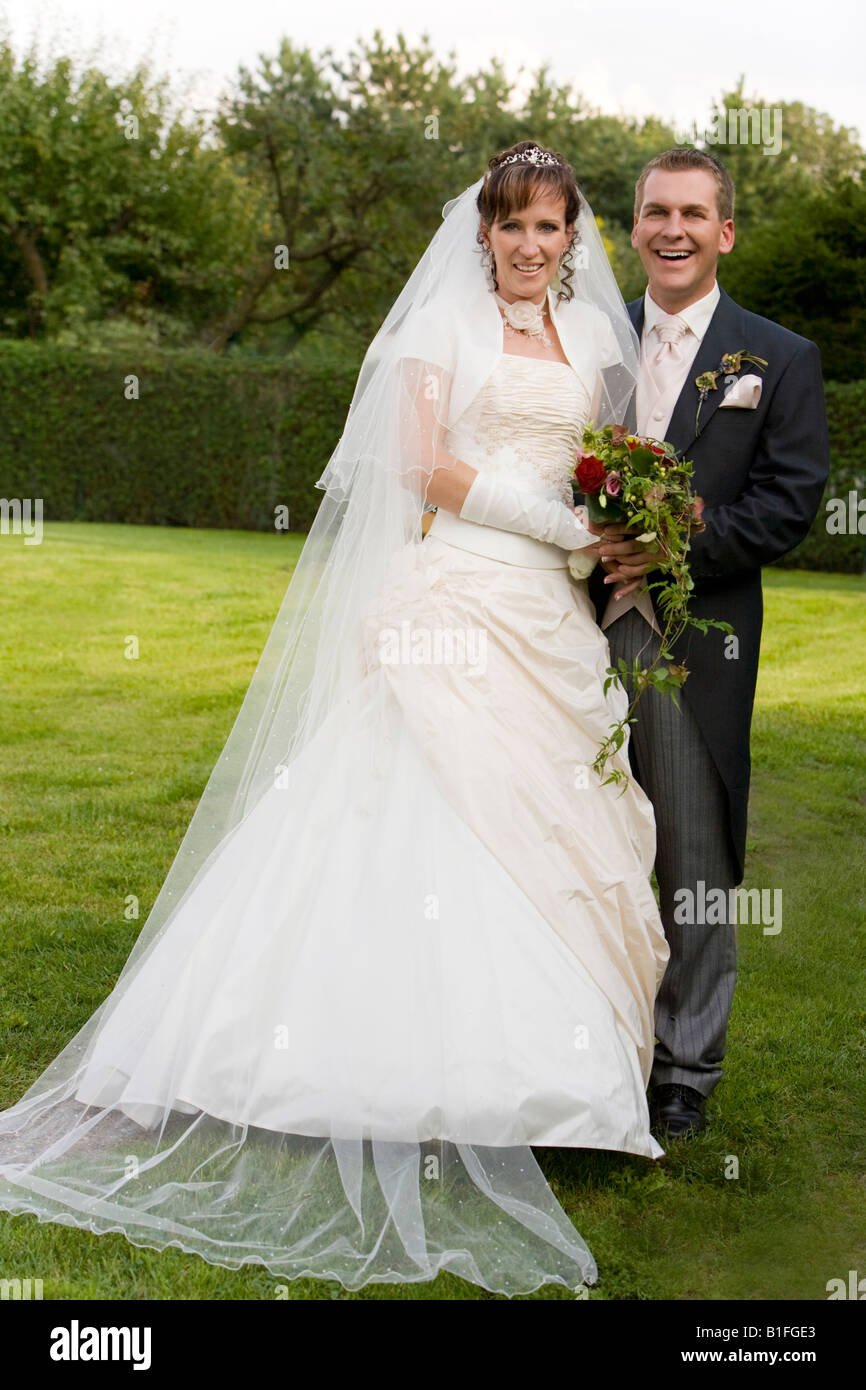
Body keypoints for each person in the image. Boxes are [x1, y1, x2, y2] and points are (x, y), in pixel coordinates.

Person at [0, 142, 669, 1298]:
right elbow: (418, 466)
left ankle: (558, 1084)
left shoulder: (600, 343)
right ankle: (348, 1064)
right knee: (400, 811)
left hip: (551, 626)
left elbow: (608, 460)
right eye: (508, 226)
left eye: (547, 228)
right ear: (483, 234)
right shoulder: (431, 333)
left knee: (554, 824)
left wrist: (616, 521)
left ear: (571, 239)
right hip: (457, 596)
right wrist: (557, 528)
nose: (526, 245)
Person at [581, 147, 830, 1138]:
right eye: (653, 212)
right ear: (631, 227)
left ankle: (682, 1063)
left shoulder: (776, 355)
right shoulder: (586, 342)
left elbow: (786, 505)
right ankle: (580, 1044)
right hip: (564, 632)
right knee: (571, 844)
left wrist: (665, 547)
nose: (670, 229)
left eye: (691, 213)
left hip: (691, 640)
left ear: (722, 230)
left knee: (690, 847)